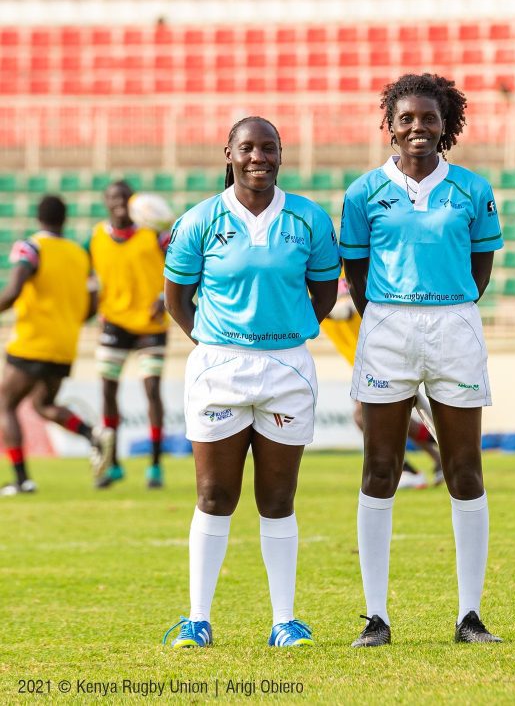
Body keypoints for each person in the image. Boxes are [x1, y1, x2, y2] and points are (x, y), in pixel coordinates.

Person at [162, 116, 339, 649]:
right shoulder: (199, 220)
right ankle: (197, 620)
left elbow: (324, 293)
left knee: (278, 498)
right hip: (219, 367)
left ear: (281, 154)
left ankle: (284, 622)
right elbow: (177, 299)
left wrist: (288, 329)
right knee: (215, 495)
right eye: (247, 148)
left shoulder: (308, 219)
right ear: (229, 154)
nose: (258, 157)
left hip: (287, 367)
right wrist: (215, 342)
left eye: (268, 147)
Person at [340, 73, 504, 647]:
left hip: (455, 324)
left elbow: (479, 271)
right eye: (406, 118)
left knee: (465, 468)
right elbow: (357, 274)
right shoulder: (363, 193)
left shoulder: (473, 190)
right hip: (387, 325)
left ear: (445, 124)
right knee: (379, 468)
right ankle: (375, 617)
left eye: (428, 118)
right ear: (389, 125)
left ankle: (470, 616)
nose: (417, 127)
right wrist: (390, 314)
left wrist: (446, 304)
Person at [0, 195, 115, 495]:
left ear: (39, 218)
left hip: (32, 341)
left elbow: (13, 291)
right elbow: (92, 304)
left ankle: (22, 480)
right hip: (64, 345)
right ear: (65, 219)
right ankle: (92, 433)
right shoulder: (80, 255)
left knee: (5, 404)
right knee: (43, 405)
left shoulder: (31, 248)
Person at [321, 275, 444, 488]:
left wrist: (314, 308)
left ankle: (409, 469)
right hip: (364, 360)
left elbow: (347, 309)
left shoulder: (341, 271)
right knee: (393, 414)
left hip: (381, 352)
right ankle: (441, 456)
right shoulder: (307, 278)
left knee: (365, 416)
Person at [88, 180, 171, 489]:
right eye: (113, 196)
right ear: (106, 202)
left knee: (152, 391)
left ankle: (155, 465)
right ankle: (112, 464)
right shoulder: (96, 236)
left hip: (151, 325)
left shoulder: (154, 234)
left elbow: (182, 266)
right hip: (114, 323)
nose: (119, 201)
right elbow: (88, 276)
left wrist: (164, 298)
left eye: (125, 196)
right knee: (107, 392)